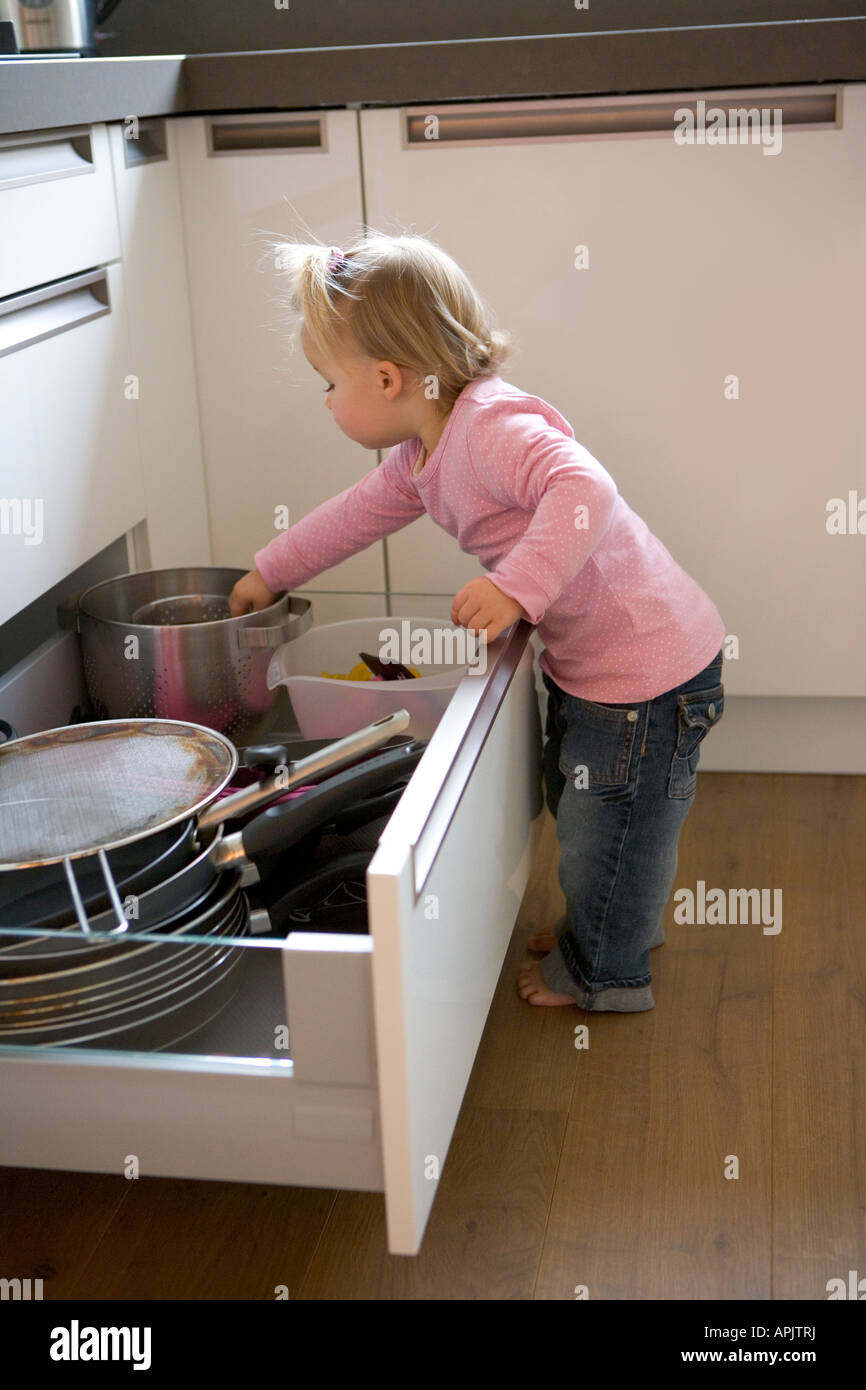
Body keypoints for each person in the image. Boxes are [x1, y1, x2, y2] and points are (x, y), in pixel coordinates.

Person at [230, 231, 726, 1012]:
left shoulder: (489, 428)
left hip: (647, 671)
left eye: (325, 382)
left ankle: (608, 973)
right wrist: (270, 571)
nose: (324, 399)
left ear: (390, 378)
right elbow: (350, 518)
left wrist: (517, 587)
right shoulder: (425, 452)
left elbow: (586, 488)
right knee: (595, 813)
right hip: (605, 668)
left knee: (609, 825)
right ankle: (612, 922)